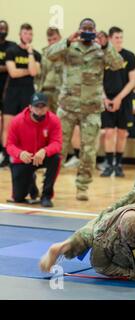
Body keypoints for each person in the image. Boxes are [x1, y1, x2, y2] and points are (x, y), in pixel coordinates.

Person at [45, 18, 124, 201]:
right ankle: (49, 186)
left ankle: (82, 187)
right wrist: (67, 40)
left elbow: (118, 64)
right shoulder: (69, 47)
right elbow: (49, 54)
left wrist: (106, 46)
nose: (87, 31)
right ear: (79, 30)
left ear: (95, 31)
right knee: (58, 148)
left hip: (91, 109)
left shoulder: (101, 49)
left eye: (90, 29)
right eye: (84, 29)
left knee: (88, 151)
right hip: (67, 107)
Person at [39, 201, 135, 281]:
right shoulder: (104, 234)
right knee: (89, 233)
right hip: (109, 223)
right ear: (119, 230)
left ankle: (69, 245)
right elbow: (101, 266)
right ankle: (66, 245)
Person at [6, 92, 62, 207]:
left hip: (41, 157)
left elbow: (57, 143)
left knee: (56, 158)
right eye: (37, 106)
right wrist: (20, 153)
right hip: (24, 159)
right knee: (18, 198)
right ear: (30, 107)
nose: (40, 110)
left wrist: (45, 151)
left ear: (47, 107)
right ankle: (31, 180)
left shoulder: (54, 120)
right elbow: (9, 145)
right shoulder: (17, 121)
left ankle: (46, 195)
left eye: (43, 107)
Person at [1, 23, 41, 168]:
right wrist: (27, 71)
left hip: (28, 93)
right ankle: (6, 156)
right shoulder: (11, 51)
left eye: (30, 34)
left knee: (27, 125)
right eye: (25, 33)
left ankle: (26, 155)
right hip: (12, 92)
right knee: (8, 125)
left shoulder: (35, 54)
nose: (28, 36)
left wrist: (30, 53)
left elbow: (35, 72)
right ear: (20, 34)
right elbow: (13, 73)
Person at [101, 27, 135, 178]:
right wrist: (104, 98)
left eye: (121, 37)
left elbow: (133, 81)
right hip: (106, 98)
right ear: (110, 39)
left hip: (124, 99)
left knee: (122, 133)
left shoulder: (129, 56)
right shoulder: (102, 56)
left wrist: (119, 98)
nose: (119, 40)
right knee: (109, 132)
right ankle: (109, 164)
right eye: (116, 37)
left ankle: (119, 164)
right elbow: (97, 79)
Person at [0, 20, 16, 166]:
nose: (2, 30)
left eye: (5, 28)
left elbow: (13, 67)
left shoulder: (11, 46)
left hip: (7, 89)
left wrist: (6, 67)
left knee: (7, 124)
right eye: (0, 28)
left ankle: (6, 154)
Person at [38, 27, 62, 113]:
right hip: (46, 91)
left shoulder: (67, 52)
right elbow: (40, 74)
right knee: (45, 120)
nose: (52, 42)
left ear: (60, 38)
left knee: (61, 121)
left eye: (55, 39)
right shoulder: (44, 53)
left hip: (61, 92)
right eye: (49, 40)